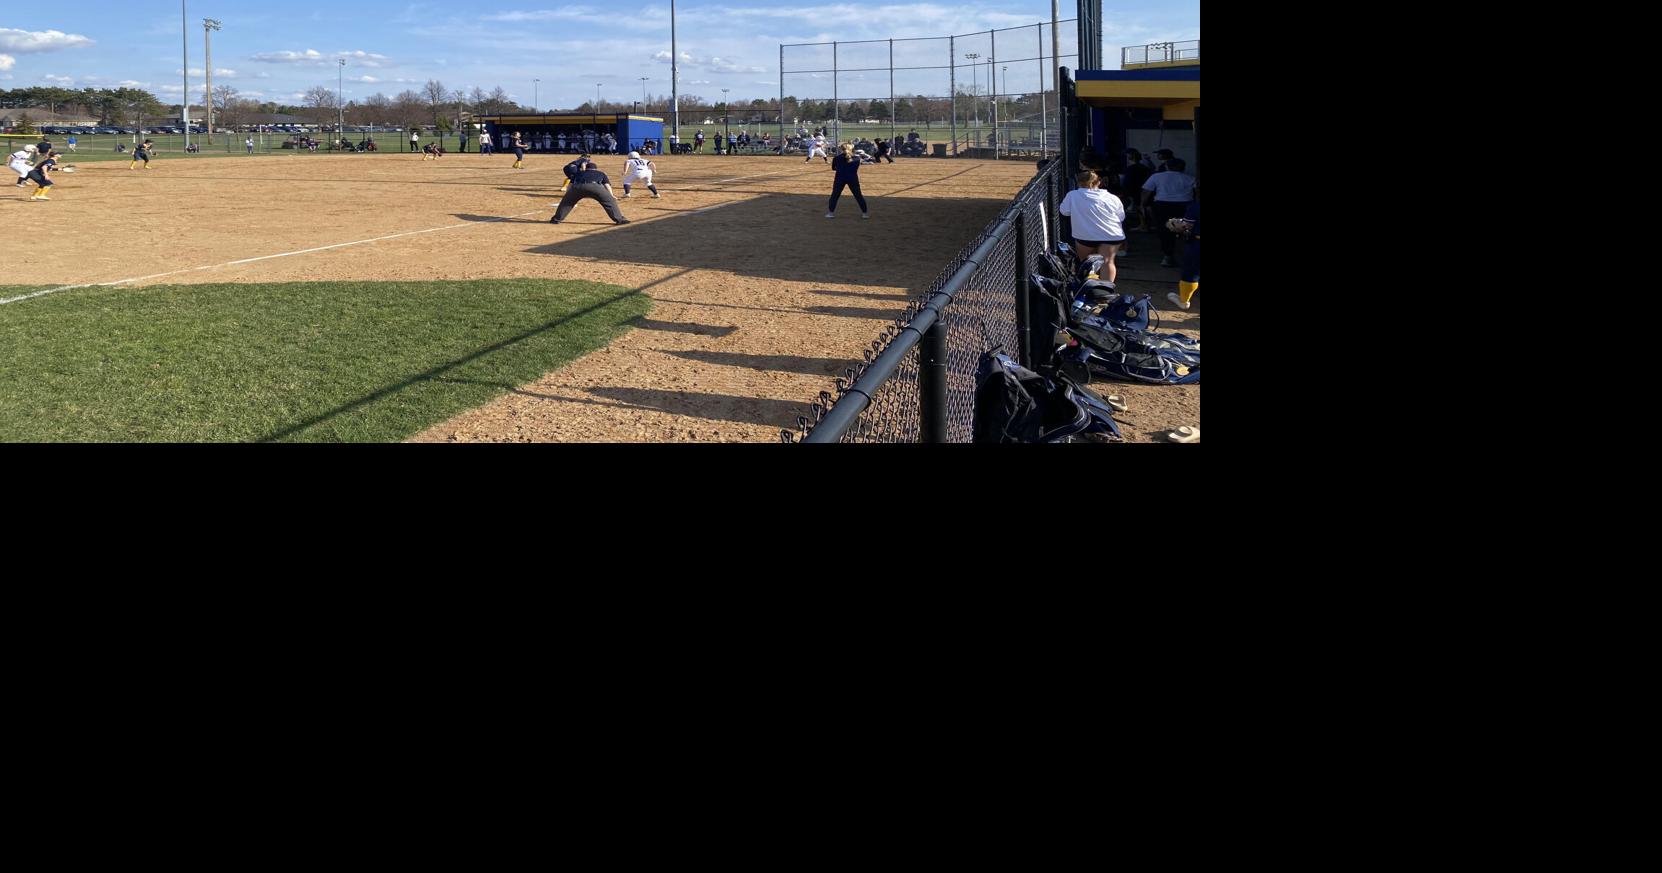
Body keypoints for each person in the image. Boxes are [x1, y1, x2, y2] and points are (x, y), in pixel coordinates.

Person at [1058, 170, 1127, 284]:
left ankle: (1090, 289)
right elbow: (1121, 217)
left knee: (1087, 262)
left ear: (1078, 182)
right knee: (1108, 262)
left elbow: (1064, 211)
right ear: (1098, 182)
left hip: (1086, 235)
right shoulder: (1112, 197)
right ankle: (1106, 291)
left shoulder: (1073, 195)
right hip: (1112, 235)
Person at [1140, 157, 1196, 267]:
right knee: (1187, 229)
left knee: (1164, 230)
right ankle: (1189, 255)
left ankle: (1168, 256)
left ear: (1167, 166)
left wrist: (1142, 204)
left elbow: (1146, 191)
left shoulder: (1157, 176)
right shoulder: (1190, 178)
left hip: (1162, 205)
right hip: (1184, 205)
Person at [549, 161, 630, 225]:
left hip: (577, 187)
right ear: (595, 169)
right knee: (609, 202)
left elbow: (570, 185)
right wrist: (611, 195)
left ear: (586, 168)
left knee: (566, 203)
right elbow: (607, 185)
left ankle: (556, 219)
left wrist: (568, 195)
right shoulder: (601, 173)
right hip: (595, 187)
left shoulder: (579, 173)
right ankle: (619, 219)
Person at [1166, 196, 1200, 311]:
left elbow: (1186, 226)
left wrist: (1174, 223)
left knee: (1191, 273)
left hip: (1197, 244)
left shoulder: (1196, 206)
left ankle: (1184, 301)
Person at [825, 142, 869, 219]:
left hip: (840, 178)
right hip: (852, 178)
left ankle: (830, 213)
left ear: (841, 149)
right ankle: (865, 214)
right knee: (858, 195)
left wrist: (840, 169)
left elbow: (833, 168)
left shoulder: (836, 158)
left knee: (835, 195)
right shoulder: (857, 159)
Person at [1122, 149, 1152, 230]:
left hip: (1135, 191)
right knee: (1145, 207)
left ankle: (1143, 224)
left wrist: (1127, 192)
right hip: (1145, 189)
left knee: (1140, 208)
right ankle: (1148, 224)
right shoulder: (1144, 168)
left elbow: (1128, 182)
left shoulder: (1131, 169)